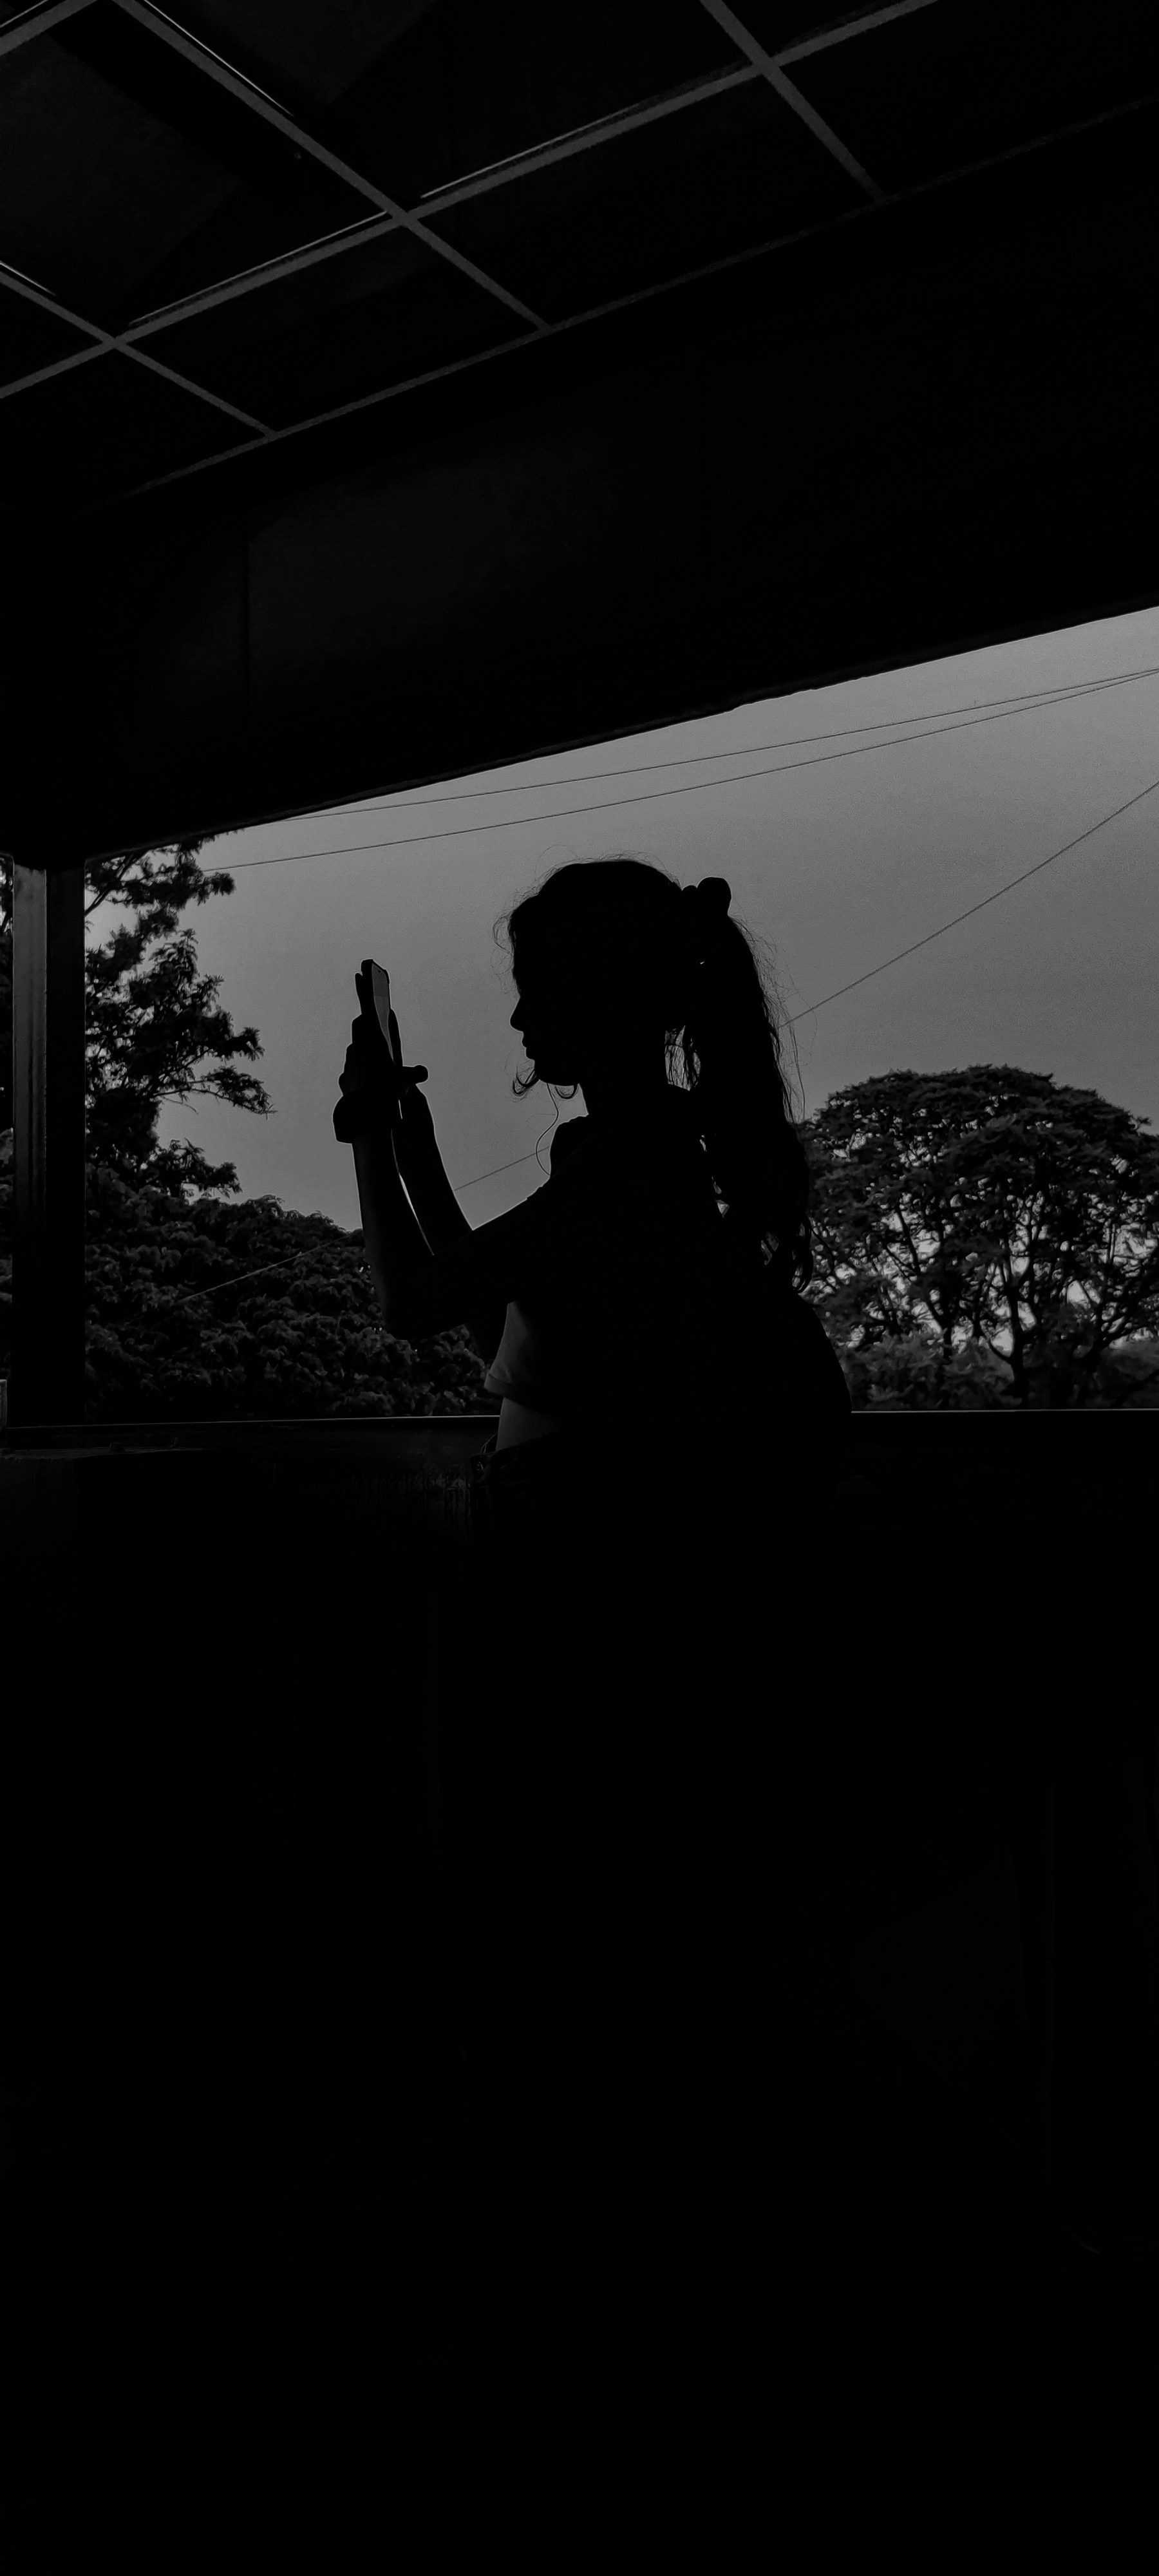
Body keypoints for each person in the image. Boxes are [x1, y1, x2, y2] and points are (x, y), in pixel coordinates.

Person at [332, 853, 854, 2387]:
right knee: (637, 1972)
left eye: (535, 982)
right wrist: (419, 1143)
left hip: (580, 1632)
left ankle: (568, 2314)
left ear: (591, 1001)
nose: (513, 1006)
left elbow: (417, 1302)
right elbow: (501, 1304)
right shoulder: (652, 1167)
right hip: (634, 1625)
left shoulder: (620, 1184)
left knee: (559, 1965)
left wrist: (373, 1139)